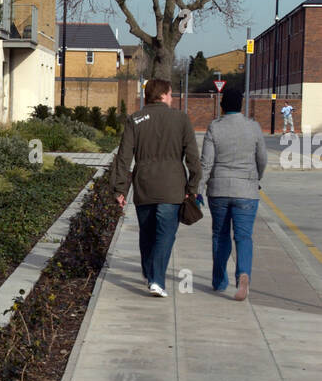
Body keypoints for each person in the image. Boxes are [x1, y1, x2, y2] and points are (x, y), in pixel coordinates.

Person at [110, 78, 201, 297]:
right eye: (170, 94)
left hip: (144, 185)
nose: (171, 97)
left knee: (147, 232)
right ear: (162, 95)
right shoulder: (181, 119)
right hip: (172, 186)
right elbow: (192, 157)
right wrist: (193, 184)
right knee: (165, 234)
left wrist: (120, 188)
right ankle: (156, 279)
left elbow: (123, 157)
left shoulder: (135, 119)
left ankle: (149, 270)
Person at [198, 91, 267, 301]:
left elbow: (206, 163)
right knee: (243, 236)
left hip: (219, 190)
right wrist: (256, 178)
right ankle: (243, 274)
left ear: (222, 106)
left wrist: (198, 189)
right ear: (241, 105)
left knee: (220, 235)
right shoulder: (253, 127)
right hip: (246, 191)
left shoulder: (215, 127)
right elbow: (262, 158)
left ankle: (219, 281)